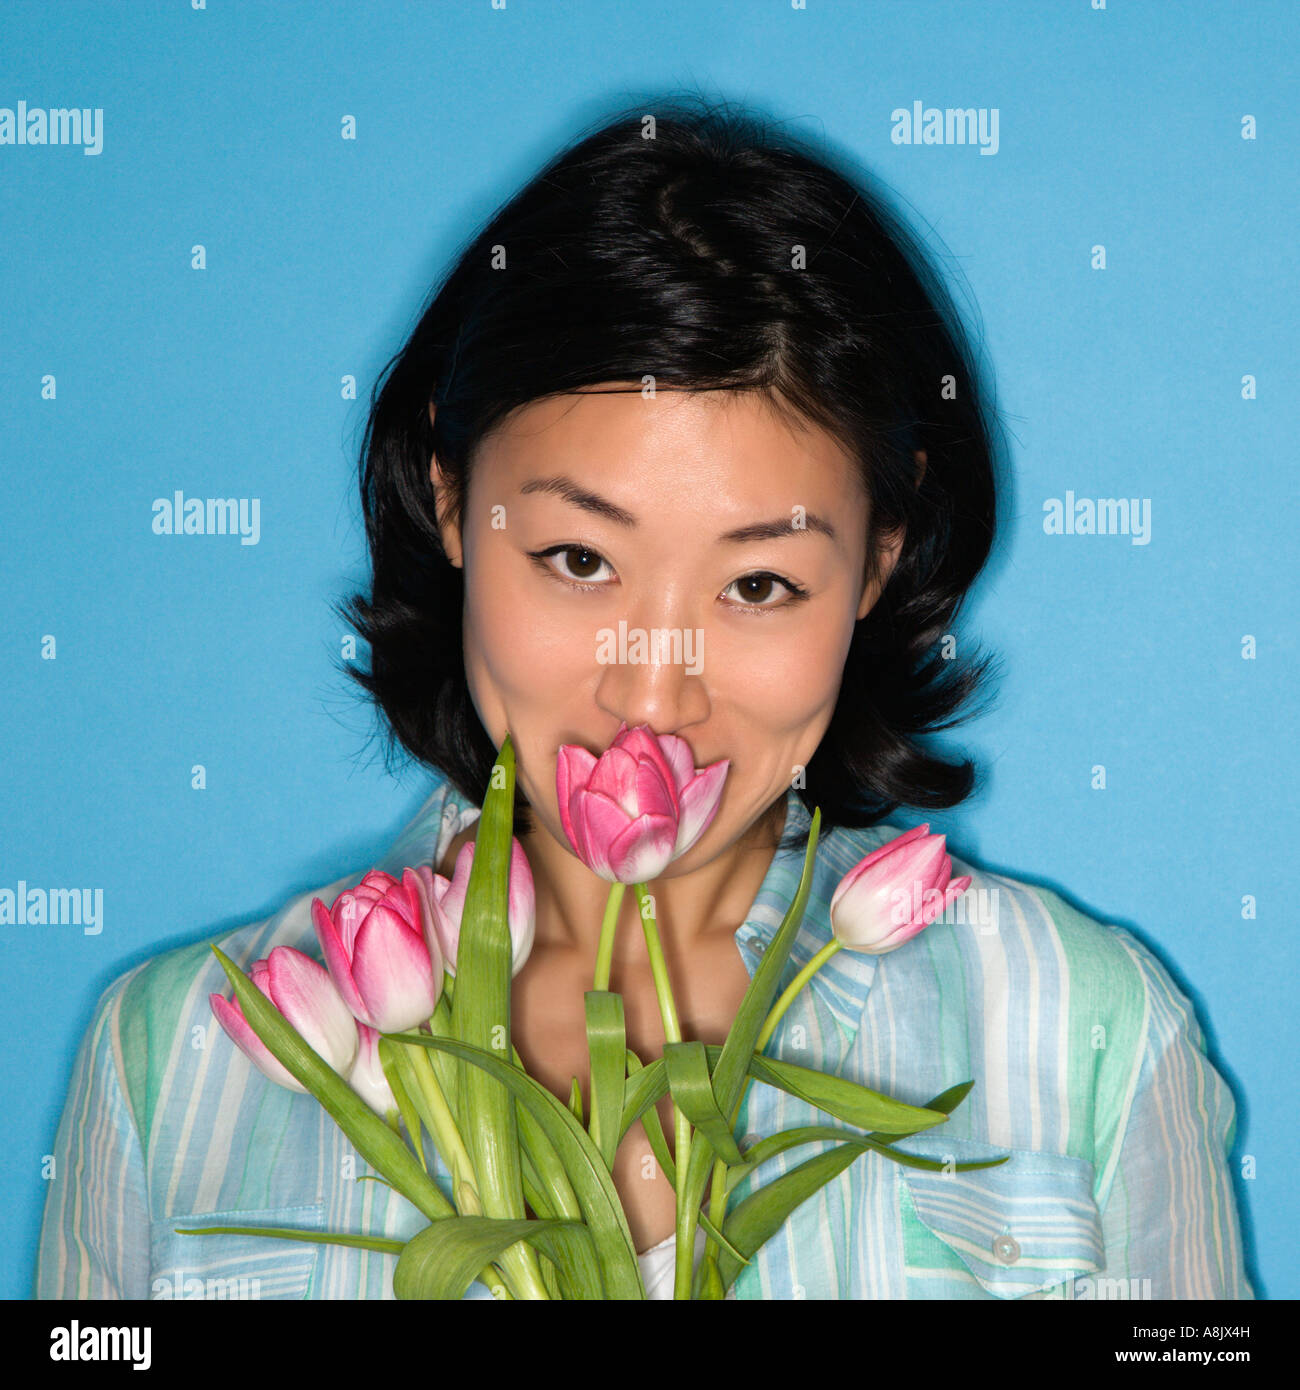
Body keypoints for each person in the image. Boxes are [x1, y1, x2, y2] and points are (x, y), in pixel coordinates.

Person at [34, 98, 1253, 1301]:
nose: (652, 692)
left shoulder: (1080, 1030)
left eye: (759, 582)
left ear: (879, 556)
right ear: (449, 496)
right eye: (577, 560)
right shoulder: (178, 1054)